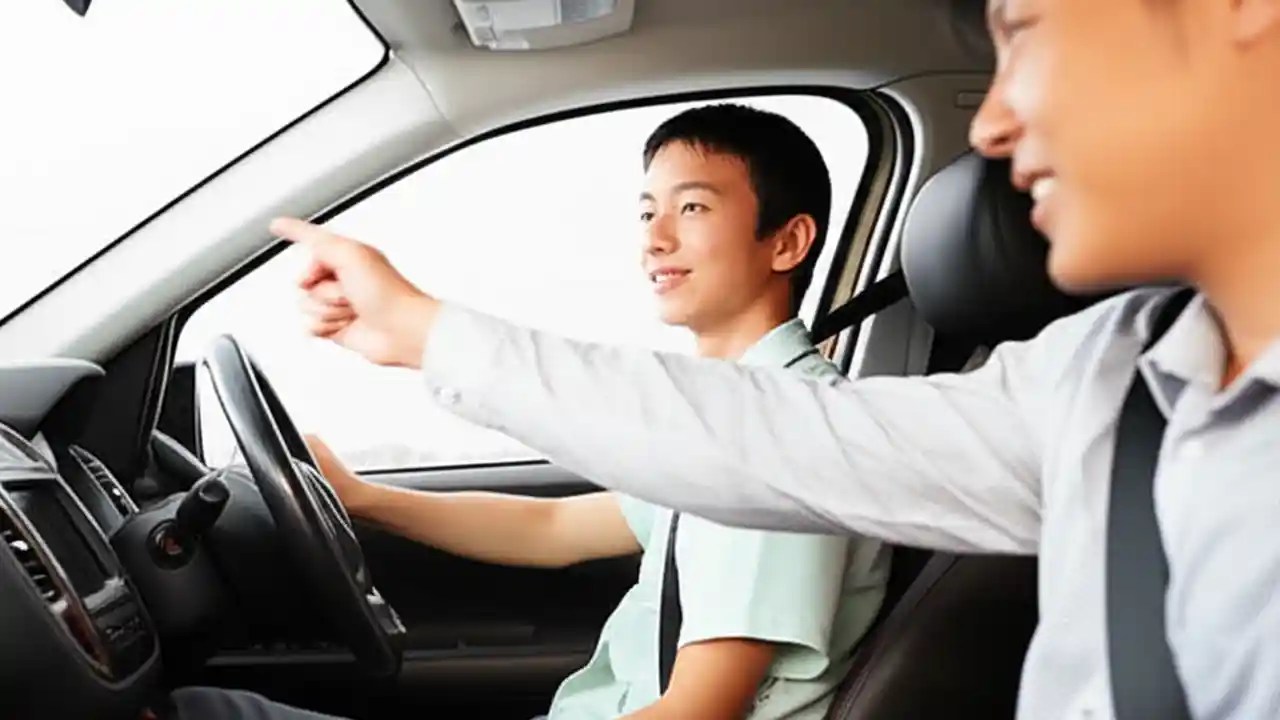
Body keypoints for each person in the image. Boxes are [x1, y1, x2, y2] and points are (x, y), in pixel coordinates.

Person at [276, 1, 1280, 719]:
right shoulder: (1107, 376)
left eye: (1020, 29)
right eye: (647, 212)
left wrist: (429, 334)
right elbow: (702, 465)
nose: (990, 122)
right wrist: (376, 467)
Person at [300, 104, 890, 719]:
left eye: (692, 208)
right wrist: (361, 498)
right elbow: (553, 530)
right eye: (647, 211)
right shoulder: (728, 410)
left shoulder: (777, 437)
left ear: (787, 242)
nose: (655, 238)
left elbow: (700, 711)